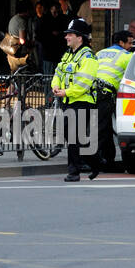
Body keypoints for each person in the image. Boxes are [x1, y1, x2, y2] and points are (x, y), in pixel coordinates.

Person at [52, 17, 101, 182]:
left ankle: (74, 172)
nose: (66, 37)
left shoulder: (88, 57)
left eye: (70, 34)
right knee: (74, 136)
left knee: (72, 136)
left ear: (80, 38)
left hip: (82, 102)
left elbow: (83, 84)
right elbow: (58, 72)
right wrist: (55, 86)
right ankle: (94, 161)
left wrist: (66, 92)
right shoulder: (68, 55)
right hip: (69, 101)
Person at [92, 29, 135, 172]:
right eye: (129, 43)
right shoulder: (126, 56)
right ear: (121, 43)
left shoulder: (100, 53)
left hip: (92, 92)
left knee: (104, 128)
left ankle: (108, 160)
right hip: (106, 93)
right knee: (102, 128)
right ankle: (97, 161)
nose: (131, 46)